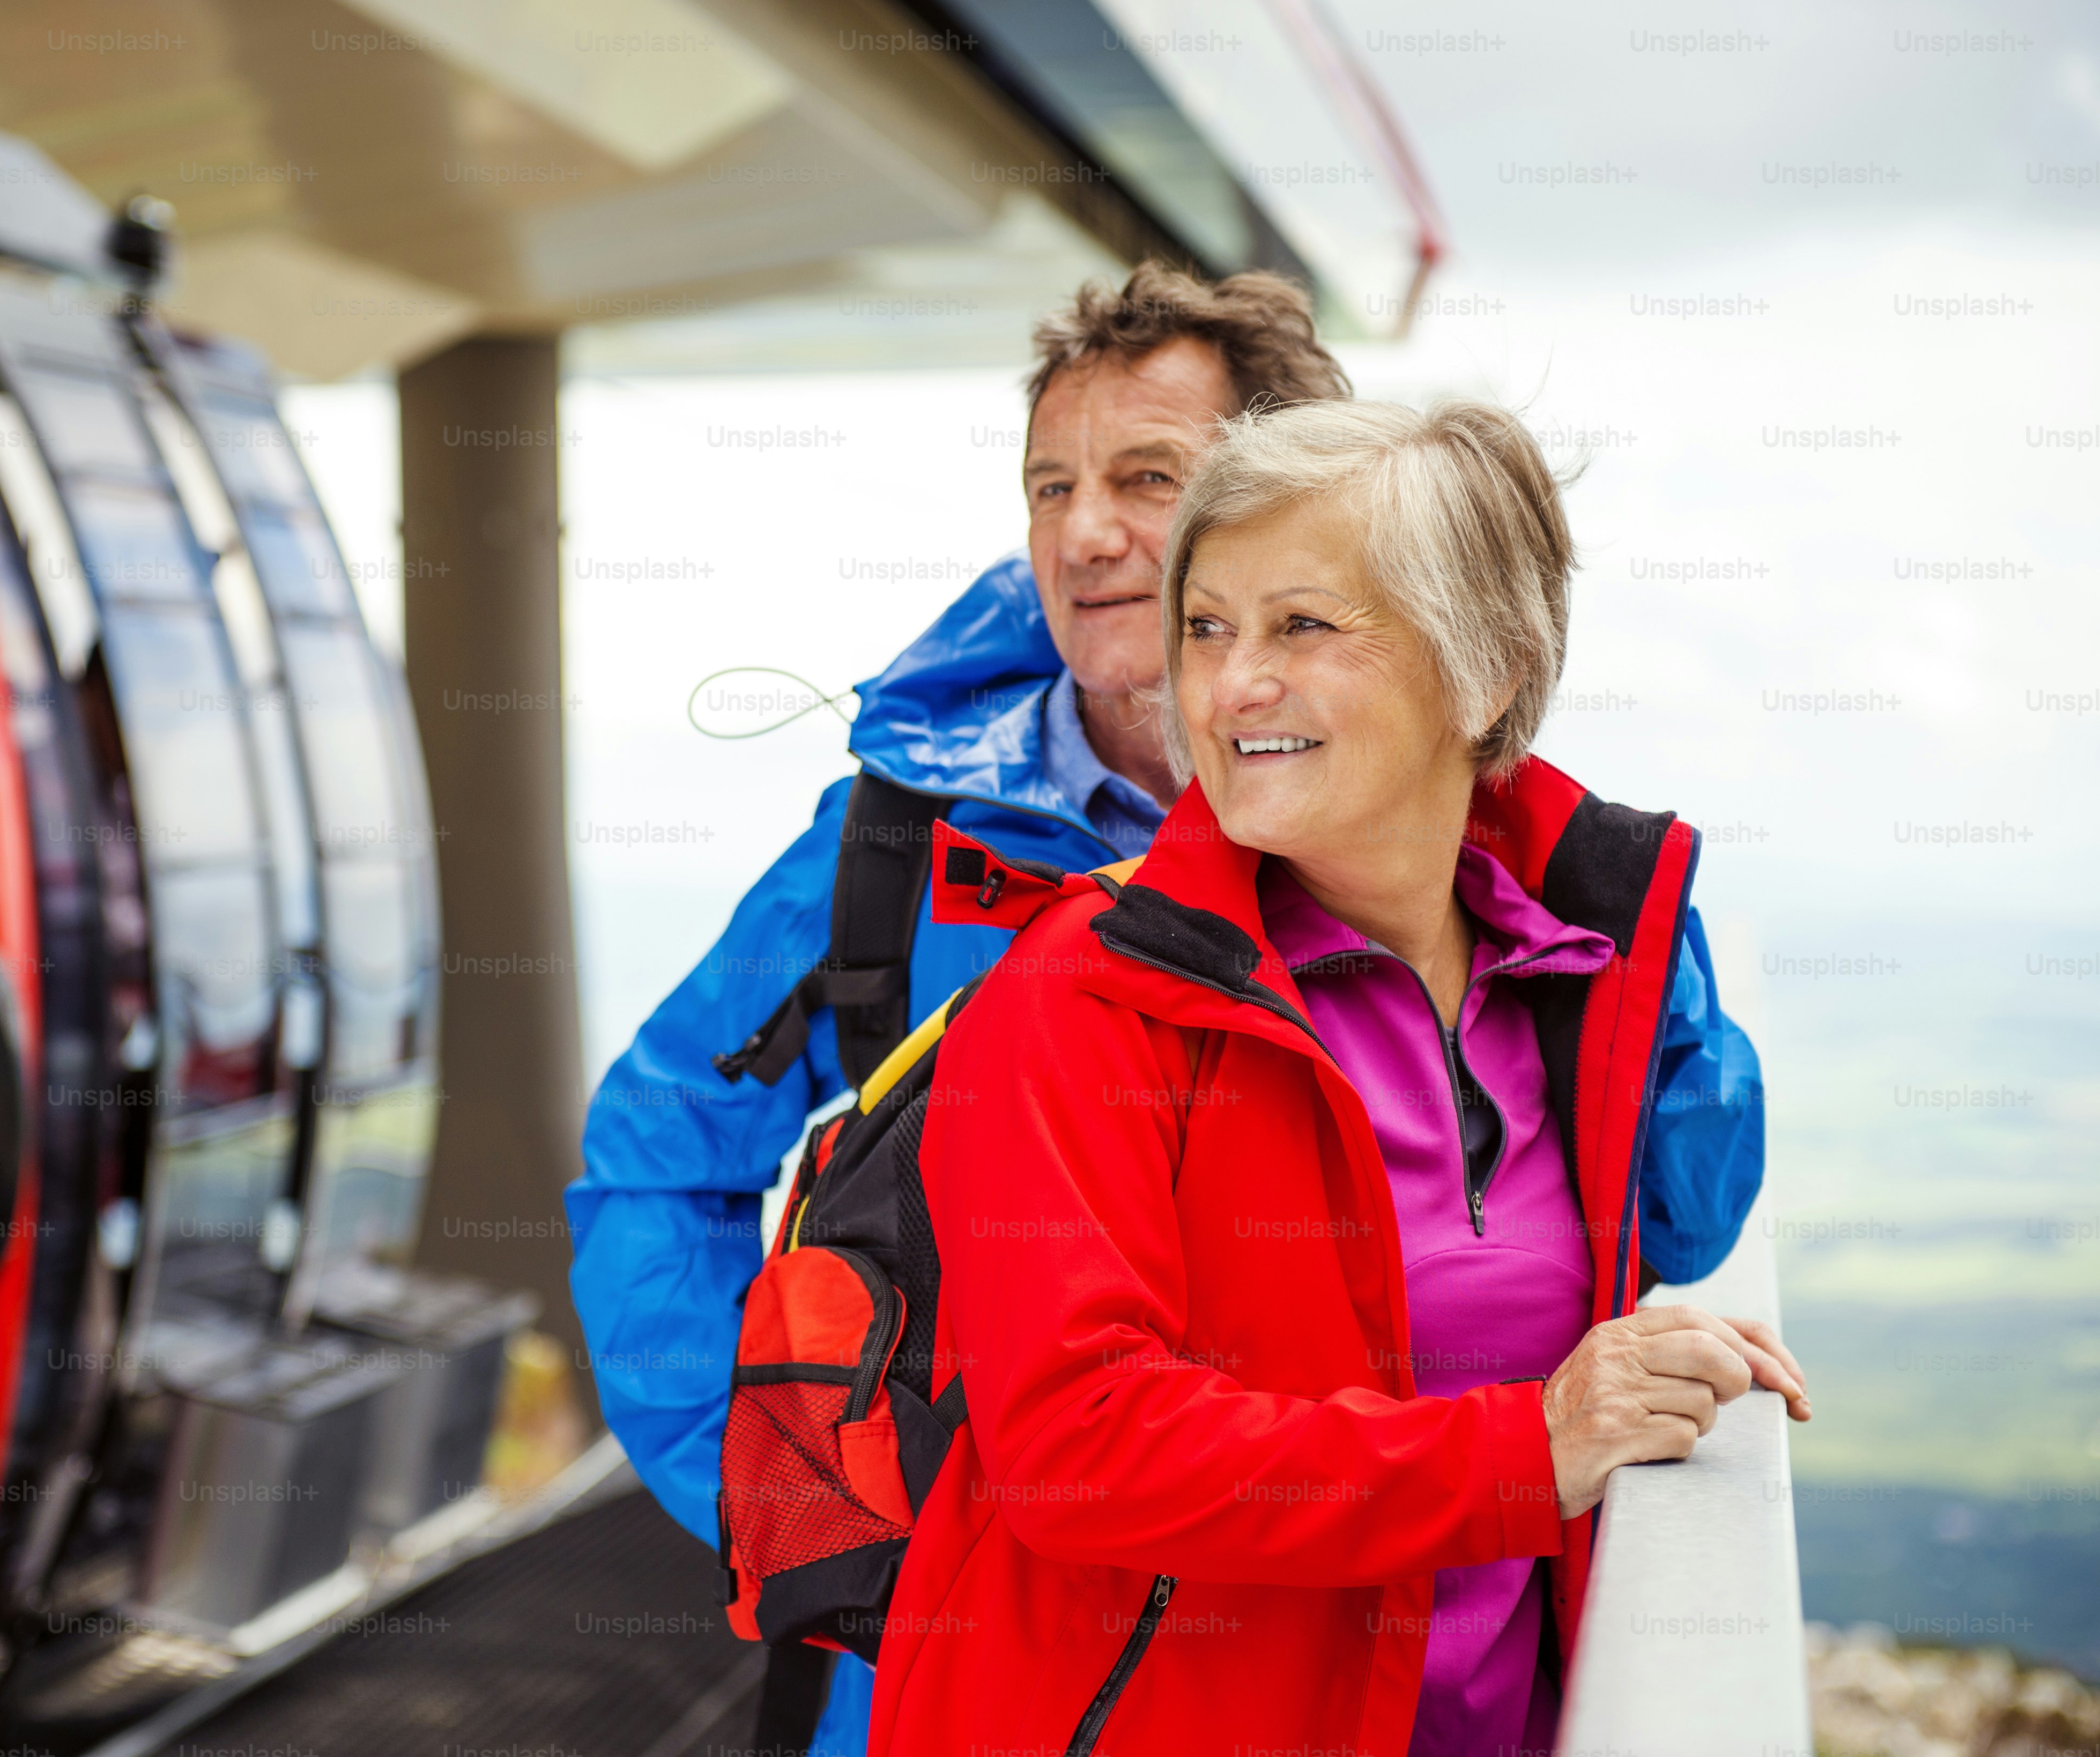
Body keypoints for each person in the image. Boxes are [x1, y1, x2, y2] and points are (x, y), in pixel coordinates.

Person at [564, 267, 1751, 1751]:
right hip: (972, 1662)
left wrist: (1604, 903)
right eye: (1048, 485)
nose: (1083, 533)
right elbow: (656, 1159)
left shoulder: (1486, 895)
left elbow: (1668, 1215)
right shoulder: (908, 853)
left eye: (1146, 478)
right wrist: (801, 1502)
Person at [867, 401, 1799, 1756]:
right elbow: (1078, 1443)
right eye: (1208, 627)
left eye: (1302, 626)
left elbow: (1663, 1230)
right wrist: (1527, 1450)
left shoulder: (1573, 970)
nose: (1230, 684)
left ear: (1485, 671)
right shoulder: (1083, 993)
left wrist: (1652, 1370)